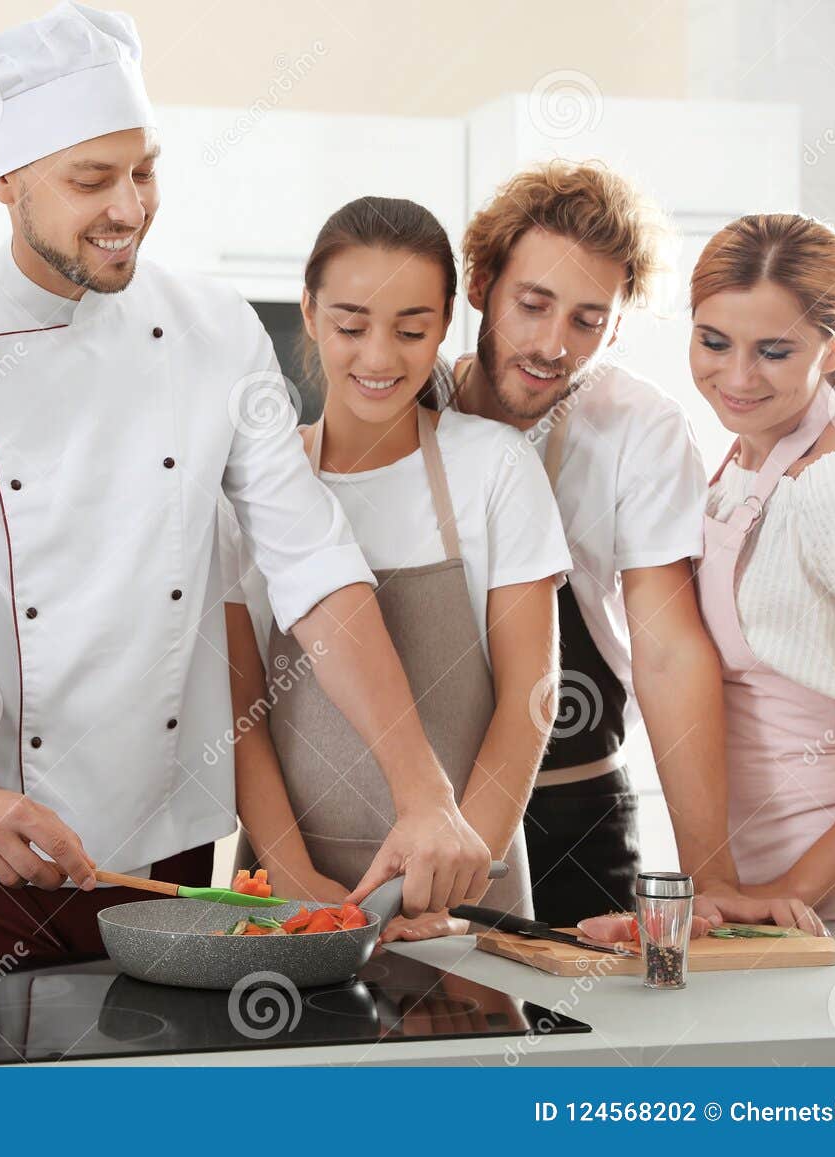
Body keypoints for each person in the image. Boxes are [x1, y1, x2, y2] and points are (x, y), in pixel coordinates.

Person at [0, 2, 489, 961]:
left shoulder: (214, 331)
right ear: (6, 179)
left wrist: (423, 790)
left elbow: (313, 562)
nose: (130, 208)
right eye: (91, 179)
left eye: (145, 170)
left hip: (166, 848)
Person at [447, 160, 820, 930]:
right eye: (533, 304)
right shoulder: (414, 409)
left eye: (587, 319)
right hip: (426, 816)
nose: (554, 343)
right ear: (481, 283)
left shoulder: (636, 428)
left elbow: (670, 650)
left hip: (573, 816)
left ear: (616, 326)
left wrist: (707, 871)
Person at [220, 197, 570, 940]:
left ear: (445, 324)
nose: (378, 358)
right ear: (309, 313)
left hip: (469, 887)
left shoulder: (494, 469)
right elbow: (241, 712)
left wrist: (449, 880)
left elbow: (532, 699)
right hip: (294, 894)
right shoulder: (256, 488)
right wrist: (294, 878)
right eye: (350, 325)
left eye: (411, 331)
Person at [692, 213, 835, 920]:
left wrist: (791, 889)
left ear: (832, 346)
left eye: (774, 352)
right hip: (747, 884)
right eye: (713, 341)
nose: (737, 376)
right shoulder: (740, 456)